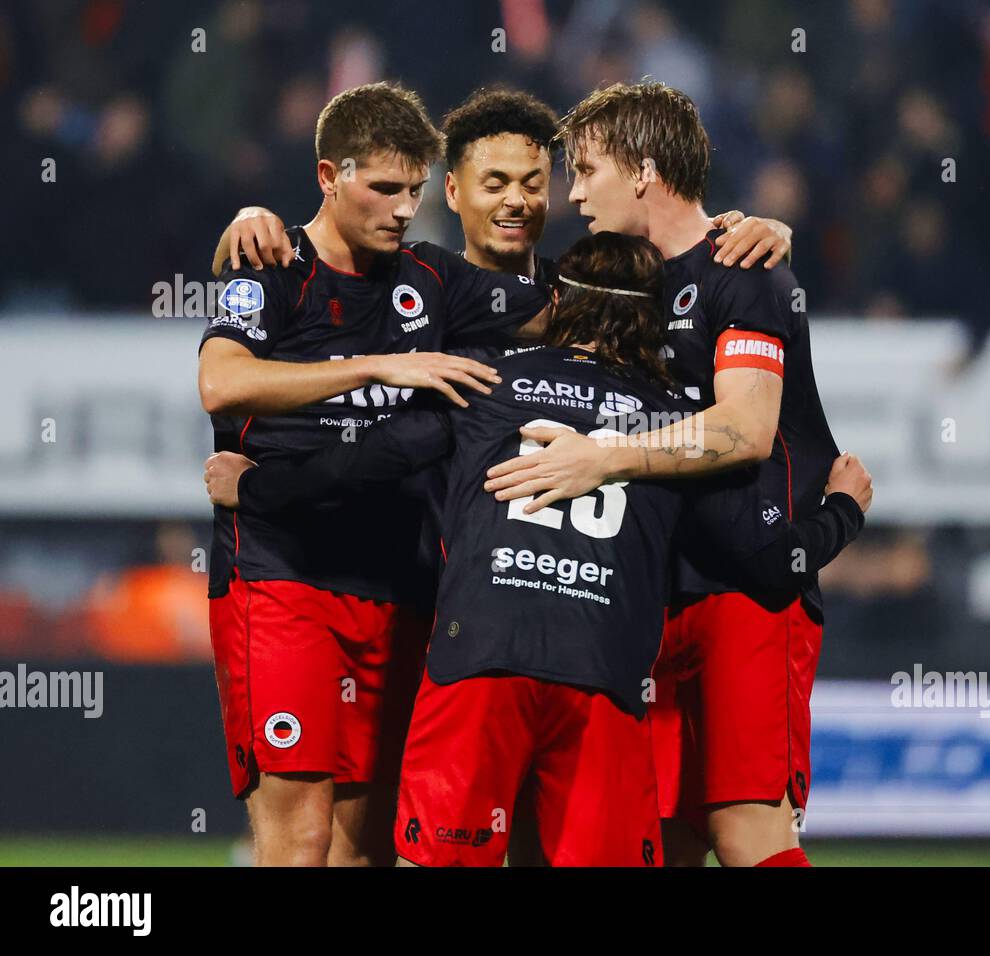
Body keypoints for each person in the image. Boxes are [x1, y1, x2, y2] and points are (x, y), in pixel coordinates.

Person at [205, 231, 871, 865]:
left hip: (480, 659)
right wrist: (841, 513)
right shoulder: (672, 427)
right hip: (601, 674)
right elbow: (762, 562)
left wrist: (257, 488)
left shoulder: (484, 382)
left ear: (557, 304)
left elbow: (363, 462)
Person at [483, 81, 843, 866]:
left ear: (644, 170)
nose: (572, 193)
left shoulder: (745, 270)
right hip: (654, 591)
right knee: (658, 839)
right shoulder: (627, 284)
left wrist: (605, 456)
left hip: (747, 590)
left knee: (746, 831)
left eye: (586, 170)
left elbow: (746, 431)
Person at [199, 81, 551, 867]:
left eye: (414, 191)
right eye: (383, 188)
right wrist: (379, 365)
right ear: (329, 176)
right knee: (301, 841)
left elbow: (566, 308)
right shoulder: (273, 268)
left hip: (396, 589)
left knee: (367, 847)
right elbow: (223, 382)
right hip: (281, 575)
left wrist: (712, 245)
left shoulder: (431, 277)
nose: (401, 208)